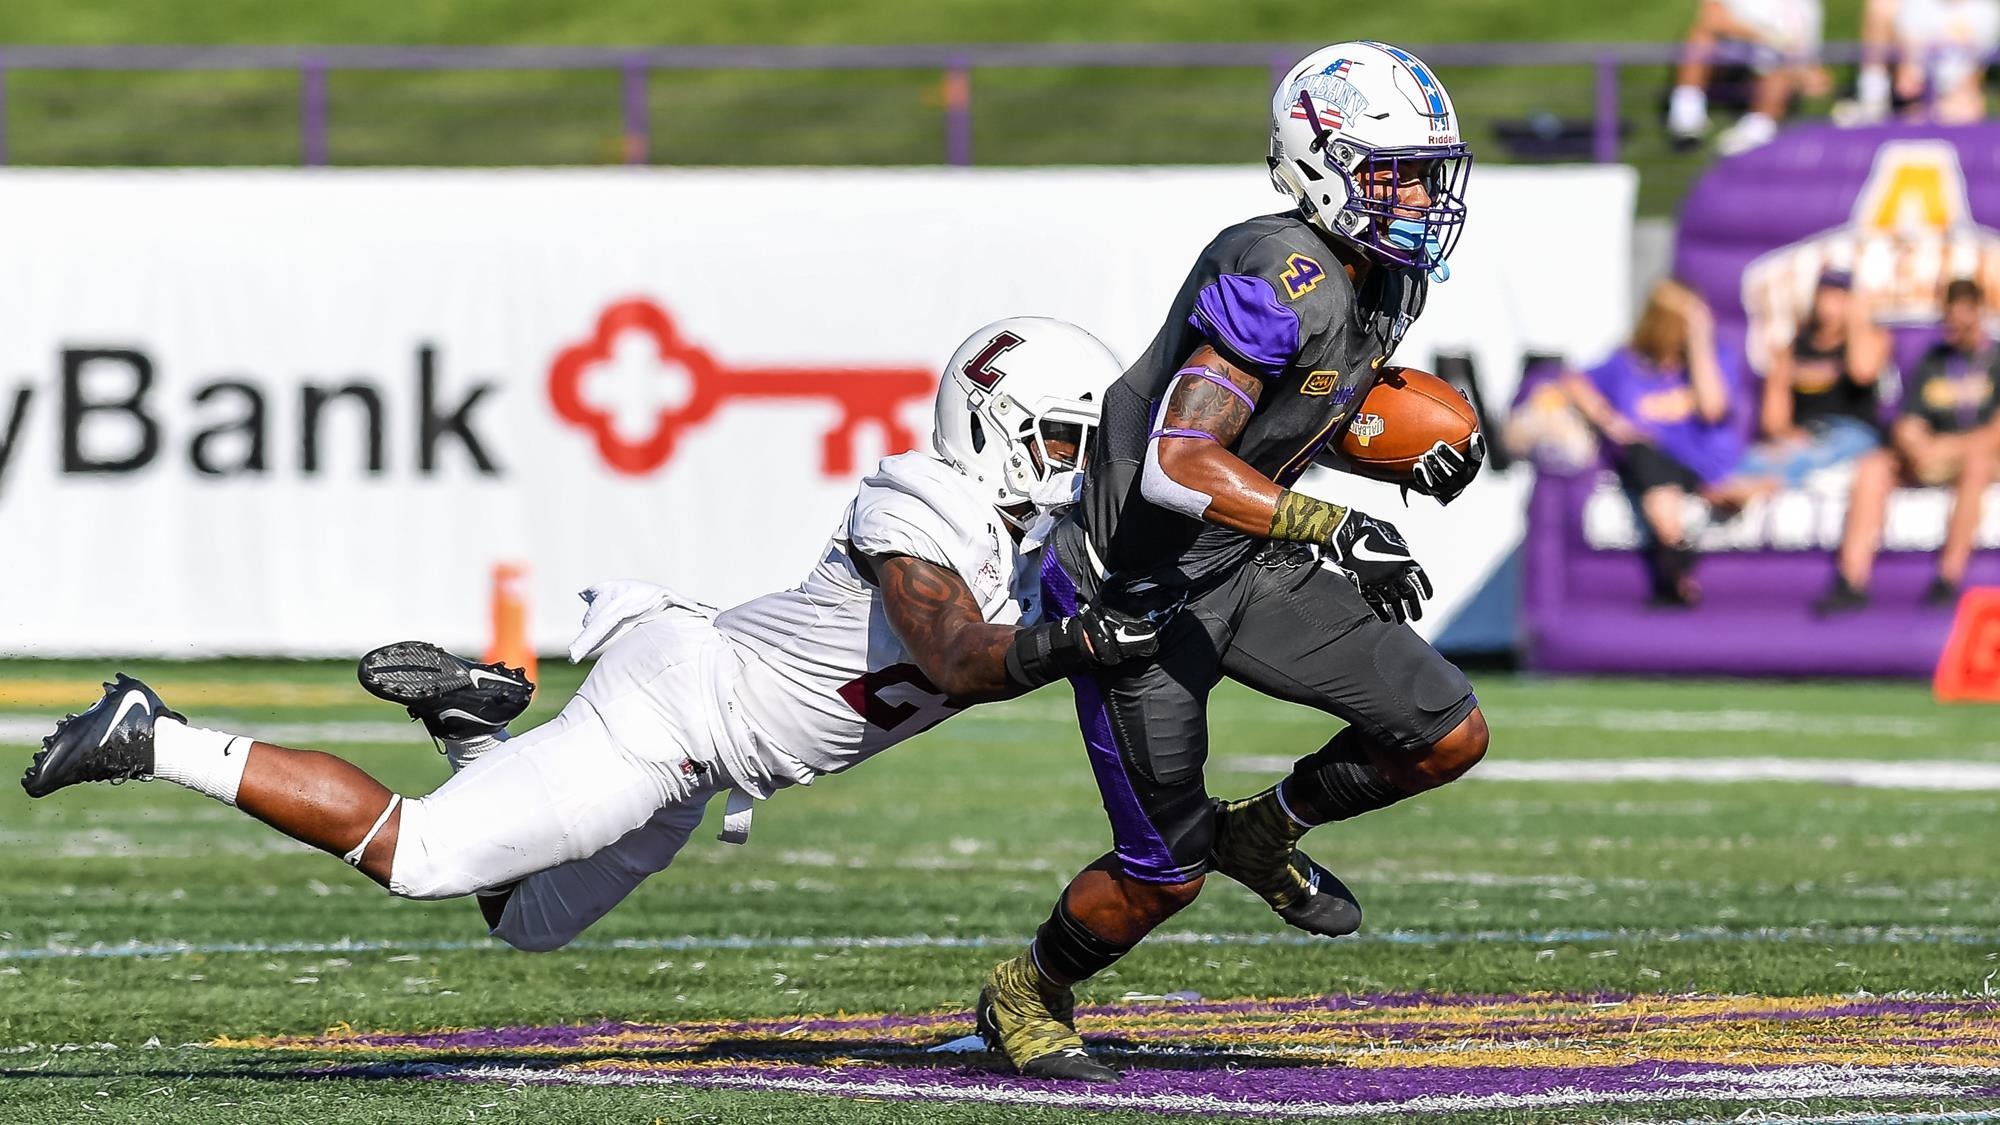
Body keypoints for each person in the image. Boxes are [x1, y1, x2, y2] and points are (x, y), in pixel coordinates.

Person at [21, 317, 1167, 953]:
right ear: (995, 425)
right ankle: (153, 736)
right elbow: (960, 658)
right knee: (422, 860)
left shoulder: (1023, 543)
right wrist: (1085, 640)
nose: (1073, 464)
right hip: (674, 713)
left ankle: (472, 725)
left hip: (713, 747)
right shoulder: (921, 504)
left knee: (523, 925)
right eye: (1060, 439)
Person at [972, 41, 1489, 1084]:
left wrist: (1377, 449)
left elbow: (1294, 409)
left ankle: (1264, 831)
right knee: (1161, 876)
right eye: (1394, 171)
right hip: (1140, 584)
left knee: (1444, 734)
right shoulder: (1275, 272)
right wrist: (1334, 527)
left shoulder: (1385, 281)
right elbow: (1179, 459)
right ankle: (1024, 989)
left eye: (1427, 173)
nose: (1421, 196)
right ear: (1318, 159)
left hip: (1244, 562)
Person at [1815, 278, 2000, 613]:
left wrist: (1944, 448)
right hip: (1932, 456)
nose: (1956, 328)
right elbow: (1909, 419)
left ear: (1980, 314)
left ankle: (1948, 577)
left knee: (1976, 461)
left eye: (1964, 319)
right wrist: (1913, 442)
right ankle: (1851, 579)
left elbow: (1996, 434)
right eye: (1950, 320)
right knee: (1872, 466)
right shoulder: (1934, 360)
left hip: (1978, 458)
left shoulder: (1996, 359)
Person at [1562, 280, 1746, 606]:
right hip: (1647, 463)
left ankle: (1675, 562)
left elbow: (1712, 407)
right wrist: (1609, 420)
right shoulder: (1629, 364)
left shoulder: (1715, 359)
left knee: (1648, 459)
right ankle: (1676, 556)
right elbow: (1573, 381)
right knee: (1642, 452)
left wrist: (1700, 341)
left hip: (1697, 465)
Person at [1732, 269, 1889, 489]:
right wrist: (1788, 434)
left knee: (1808, 458)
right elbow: (1773, 419)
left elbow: (1862, 373)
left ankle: (1762, 488)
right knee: (1754, 460)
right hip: (1804, 433)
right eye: (1824, 295)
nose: (1829, 305)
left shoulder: (1872, 338)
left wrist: (1856, 321)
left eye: (1839, 297)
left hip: (1851, 432)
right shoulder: (1792, 348)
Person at [1666, 0, 1829, 155]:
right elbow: (1712, 19)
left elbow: (1803, 59)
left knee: (1781, 68)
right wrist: (1763, 36)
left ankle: (1756, 130)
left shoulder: (1802, 6)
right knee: (1700, 37)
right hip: (1731, 58)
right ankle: (1686, 116)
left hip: (1769, 67)